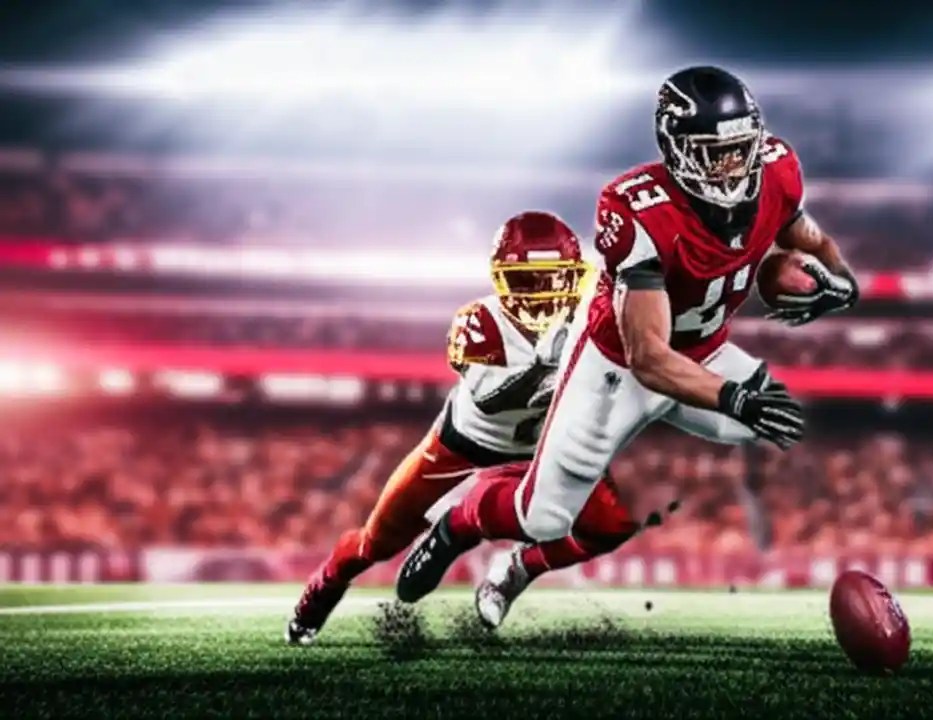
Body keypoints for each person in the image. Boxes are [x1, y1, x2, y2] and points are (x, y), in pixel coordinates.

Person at [396, 65, 858, 609]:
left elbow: (807, 235)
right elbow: (648, 357)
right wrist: (731, 394)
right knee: (542, 515)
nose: (734, 165)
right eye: (716, 152)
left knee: (772, 418)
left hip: (700, 349)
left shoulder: (778, 170)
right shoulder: (636, 208)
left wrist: (840, 282)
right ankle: (458, 521)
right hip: (617, 367)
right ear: (678, 149)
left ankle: (517, 570)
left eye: (740, 148)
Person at [286, 210, 636, 644]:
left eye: (556, 279)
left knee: (609, 527)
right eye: (528, 281)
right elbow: (494, 399)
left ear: (574, 277)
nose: (543, 295)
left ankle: (513, 569)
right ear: (501, 280)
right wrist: (558, 365)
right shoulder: (481, 323)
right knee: (376, 541)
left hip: (548, 446)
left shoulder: (593, 311)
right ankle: (326, 585)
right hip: (468, 442)